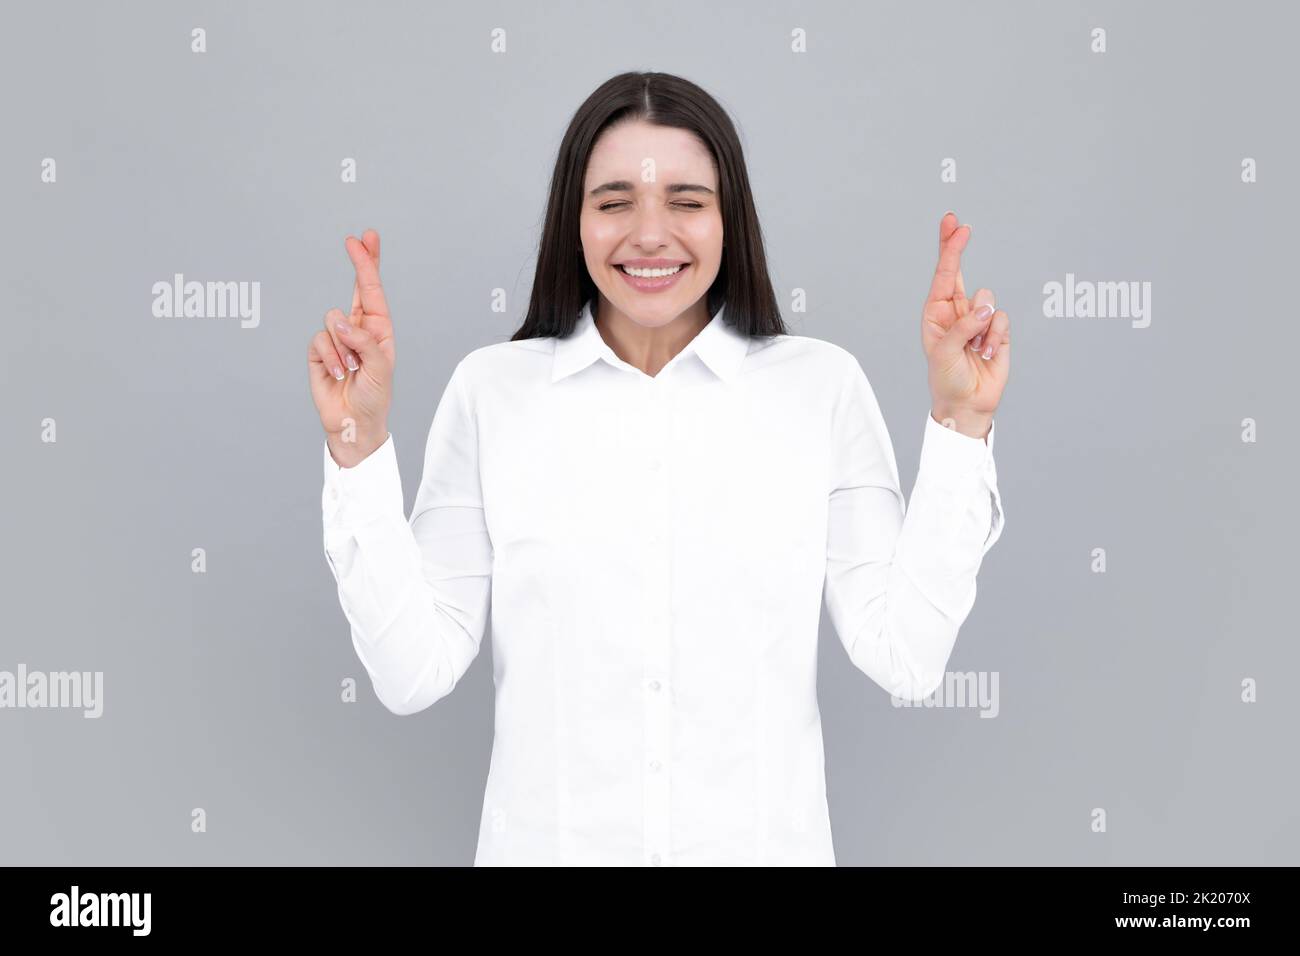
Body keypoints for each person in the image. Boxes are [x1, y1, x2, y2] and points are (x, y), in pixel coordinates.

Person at [307, 71, 1009, 866]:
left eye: (686, 201)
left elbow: (906, 657)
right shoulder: (491, 394)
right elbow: (411, 673)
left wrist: (962, 423)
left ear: (728, 218)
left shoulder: (821, 389)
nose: (650, 234)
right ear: (573, 222)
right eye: (614, 202)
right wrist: (358, 444)